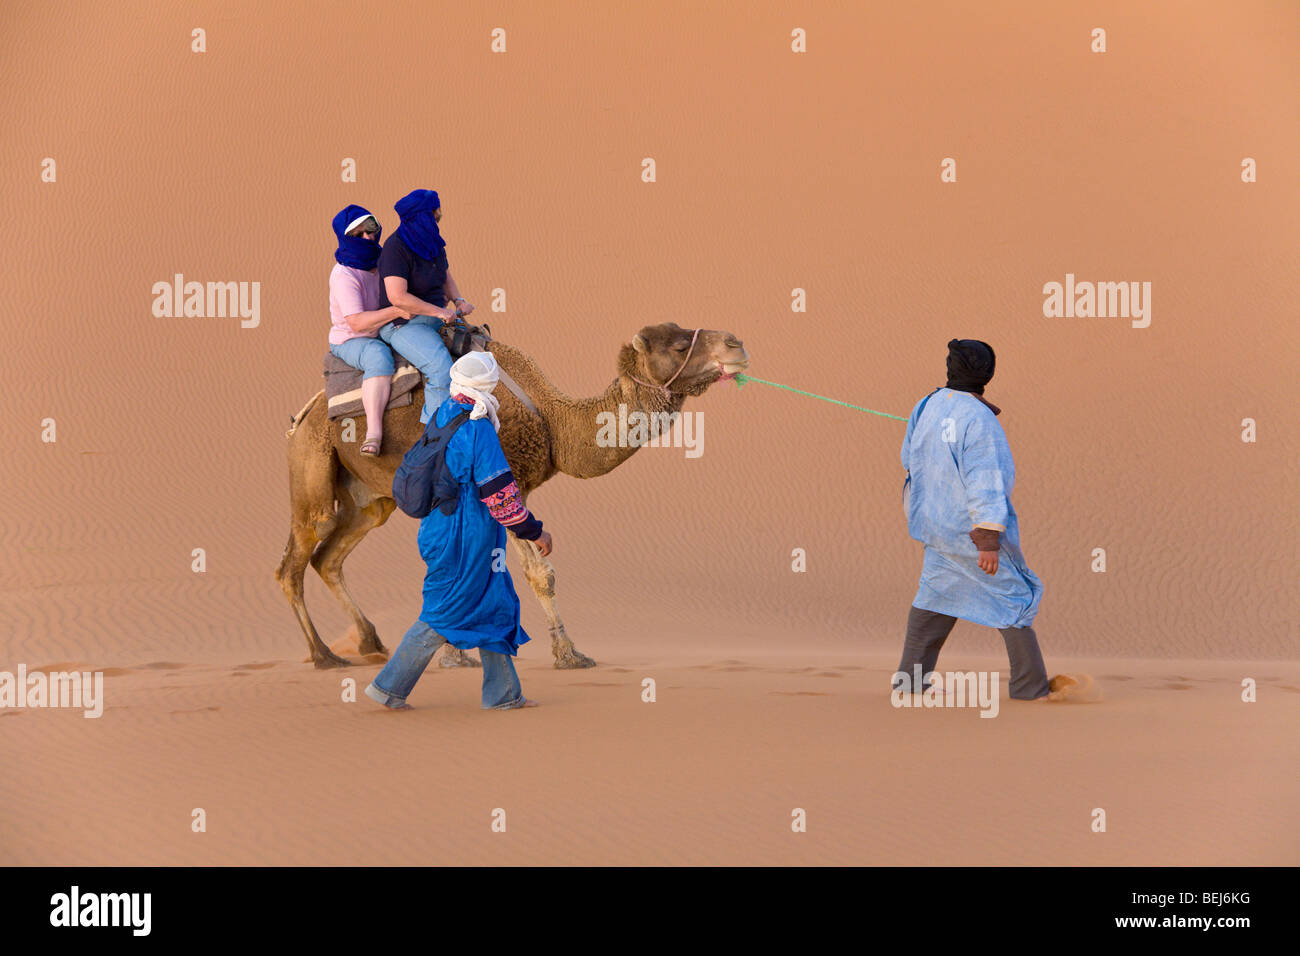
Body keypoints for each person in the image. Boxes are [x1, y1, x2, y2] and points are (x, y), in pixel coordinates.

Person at [365, 351, 553, 711]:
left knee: (493, 605)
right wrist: (534, 531)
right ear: (488, 385)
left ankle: (504, 694)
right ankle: (388, 687)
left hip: (446, 532)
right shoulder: (477, 428)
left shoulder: (444, 413)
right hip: (465, 540)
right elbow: (499, 496)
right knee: (443, 613)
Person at [894, 339, 1053, 701]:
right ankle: (1032, 689)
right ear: (987, 372)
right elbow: (986, 479)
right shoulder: (978, 419)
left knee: (935, 595)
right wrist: (987, 539)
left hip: (934, 524)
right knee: (1015, 598)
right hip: (969, 529)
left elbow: (908, 459)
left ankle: (909, 683)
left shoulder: (928, 404)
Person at [374, 188, 475, 425]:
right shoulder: (395, 248)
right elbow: (398, 297)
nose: (437, 220)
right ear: (421, 217)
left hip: (437, 318)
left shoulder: (433, 243)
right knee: (441, 370)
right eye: (434, 216)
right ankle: (434, 438)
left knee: (483, 357)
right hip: (403, 324)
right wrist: (439, 311)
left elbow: (445, 276)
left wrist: (458, 300)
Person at [327, 205, 409, 455]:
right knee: (377, 356)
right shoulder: (344, 274)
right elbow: (358, 322)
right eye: (358, 234)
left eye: (371, 230)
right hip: (353, 339)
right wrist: (397, 311)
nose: (368, 237)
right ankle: (374, 433)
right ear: (345, 237)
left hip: (385, 328)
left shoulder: (383, 260)